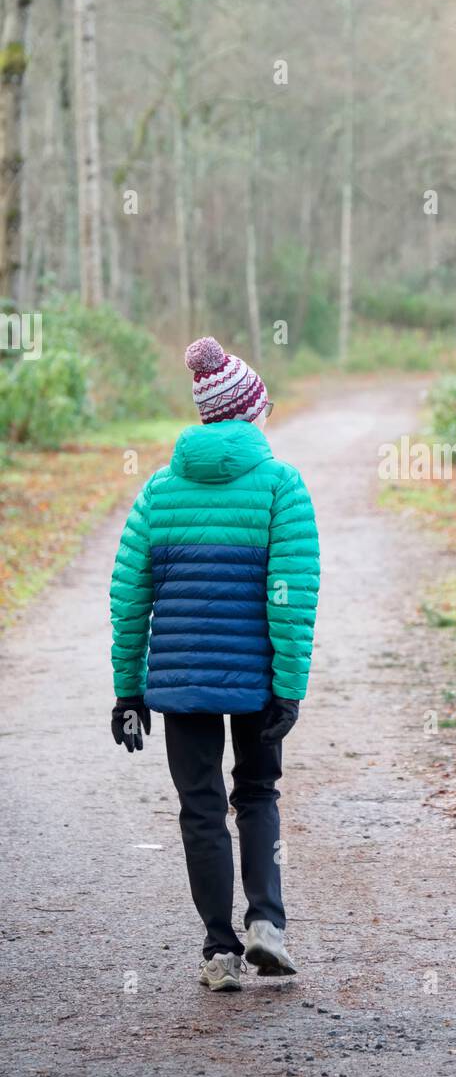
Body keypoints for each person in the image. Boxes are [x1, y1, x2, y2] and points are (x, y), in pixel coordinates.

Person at [108, 336, 320, 991]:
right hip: (257, 679)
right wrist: (288, 688)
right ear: (251, 412)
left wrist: (129, 691)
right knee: (255, 793)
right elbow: (290, 596)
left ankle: (220, 953)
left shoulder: (158, 491)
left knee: (199, 807)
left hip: (181, 682)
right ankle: (266, 926)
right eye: (266, 404)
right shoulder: (282, 486)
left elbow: (129, 597)